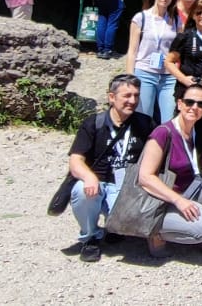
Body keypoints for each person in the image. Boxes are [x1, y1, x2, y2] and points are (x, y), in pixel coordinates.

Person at [135, 83, 202, 259]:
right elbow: (145, 177)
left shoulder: (199, 130)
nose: (195, 107)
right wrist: (178, 201)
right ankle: (156, 233)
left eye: (201, 104)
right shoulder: (163, 133)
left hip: (191, 190)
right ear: (179, 104)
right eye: (189, 102)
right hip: (163, 201)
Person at [65, 74, 156, 262]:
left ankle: (115, 226)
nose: (133, 101)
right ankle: (91, 236)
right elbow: (75, 160)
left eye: (136, 96)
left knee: (130, 220)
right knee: (83, 191)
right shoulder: (94, 123)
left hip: (126, 185)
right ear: (111, 97)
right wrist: (88, 177)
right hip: (97, 183)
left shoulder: (145, 123)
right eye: (127, 96)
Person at [124, 0, 181, 124]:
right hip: (144, 72)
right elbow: (132, 50)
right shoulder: (141, 18)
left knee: (170, 120)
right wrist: (130, 77)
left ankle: (167, 146)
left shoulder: (175, 20)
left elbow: (179, 49)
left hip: (168, 76)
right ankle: (143, 146)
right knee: (143, 117)